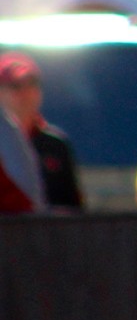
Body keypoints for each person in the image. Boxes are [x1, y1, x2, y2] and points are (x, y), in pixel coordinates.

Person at [0, 53, 84, 211]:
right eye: (15, 86)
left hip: (50, 233)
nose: (26, 93)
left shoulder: (55, 143)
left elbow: (74, 207)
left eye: (32, 84)